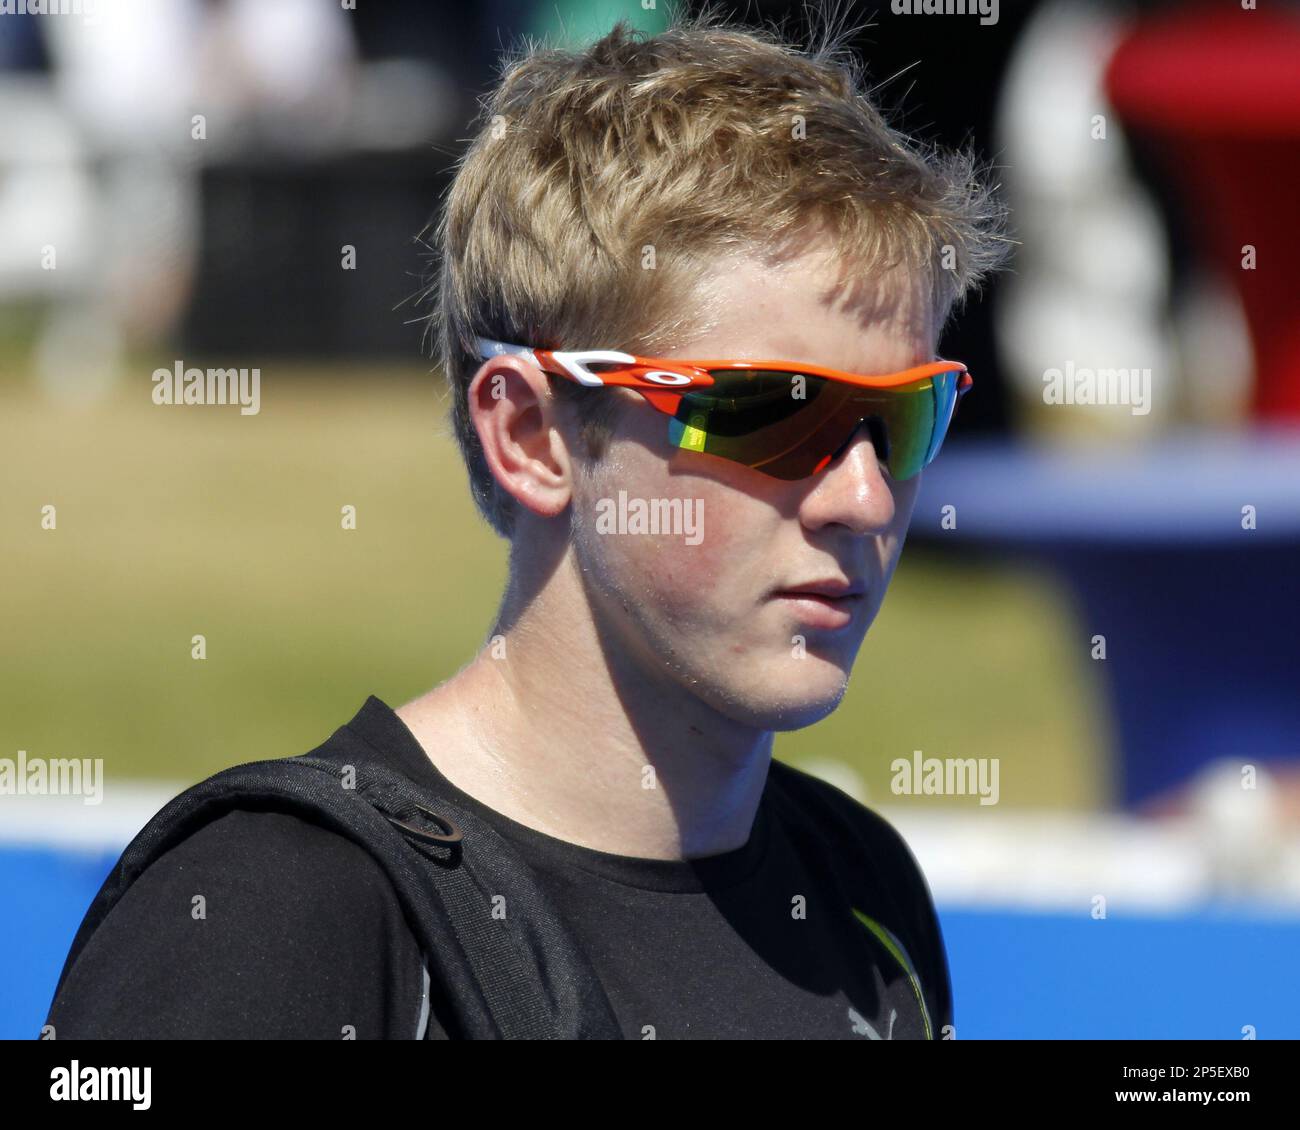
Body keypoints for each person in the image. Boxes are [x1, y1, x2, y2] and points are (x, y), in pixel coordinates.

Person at [45, 12, 1009, 1040]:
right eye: (774, 410)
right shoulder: (282, 909)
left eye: (904, 416)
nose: (862, 498)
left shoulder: (860, 894)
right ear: (532, 436)